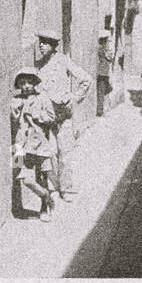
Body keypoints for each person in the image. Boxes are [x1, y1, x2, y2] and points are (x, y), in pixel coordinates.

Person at [37, 37, 93, 201]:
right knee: (51, 153)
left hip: (63, 116)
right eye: (40, 42)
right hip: (48, 117)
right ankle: (55, 186)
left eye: (45, 43)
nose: (41, 45)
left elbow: (86, 79)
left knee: (66, 153)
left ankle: (66, 188)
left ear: (53, 46)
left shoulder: (63, 61)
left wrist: (75, 98)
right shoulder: (40, 66)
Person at [10, 71, 57, 221]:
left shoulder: (42, 98)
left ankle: (44, 208)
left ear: (34, 83)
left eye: (29, 82)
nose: (26, 86)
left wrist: (37, 116)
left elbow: (51, 118)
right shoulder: (15, 100)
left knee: (41, 176)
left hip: (39, 142)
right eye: (22, 83)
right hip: (20, 144)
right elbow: (15, 122)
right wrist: (15, 110)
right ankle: (46, 195)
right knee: (22, 178)